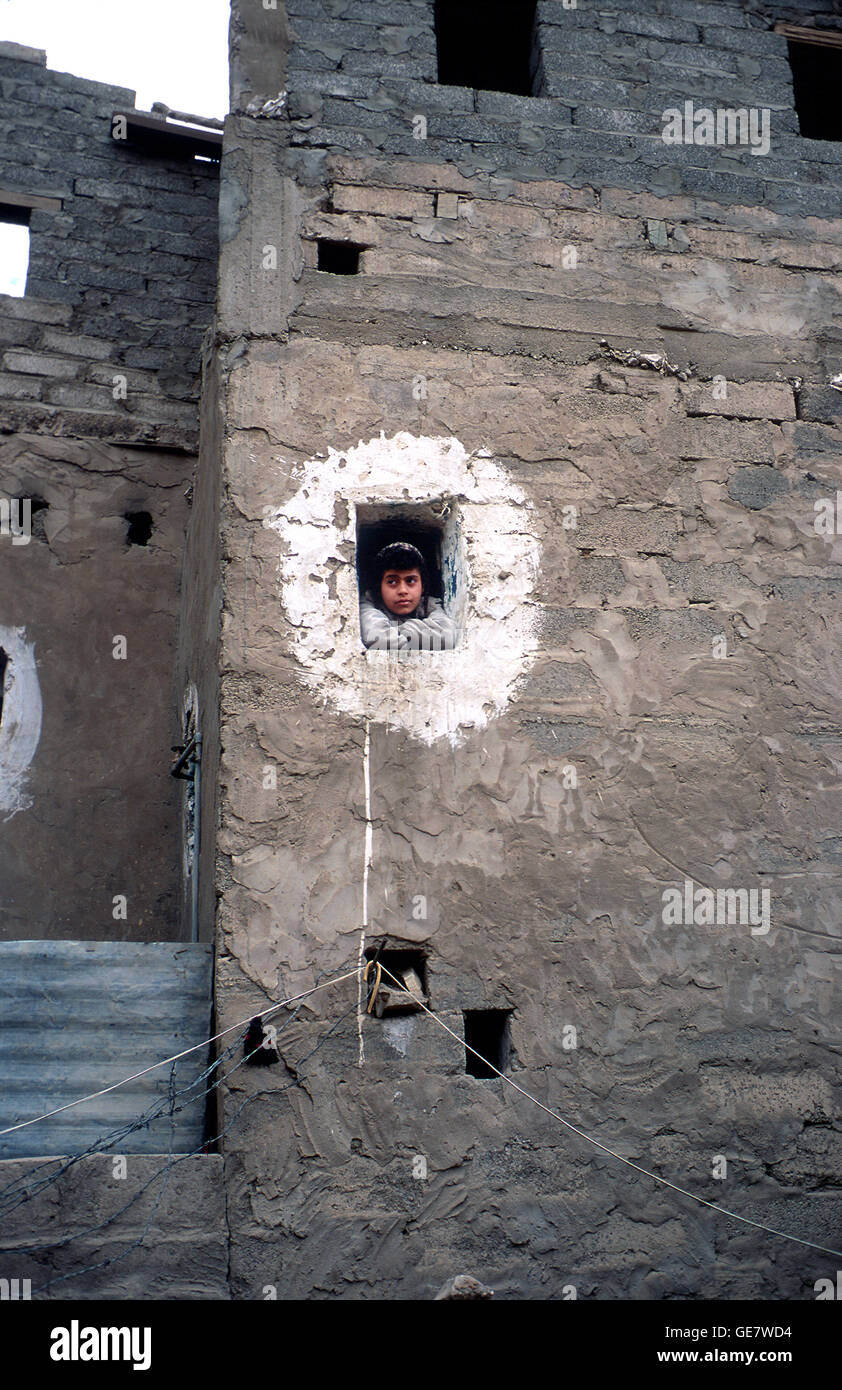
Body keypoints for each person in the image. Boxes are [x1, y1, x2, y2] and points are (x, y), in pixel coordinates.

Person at [360, 542, 457, 651]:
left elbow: (447, 638)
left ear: (423, 586)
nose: (402, 591)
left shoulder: (429, 605)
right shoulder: (367, 604)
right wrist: (423, 638)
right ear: (379, 587)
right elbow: (379, 639)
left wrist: (402, 631)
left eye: (410, 581)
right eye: (392, 582)